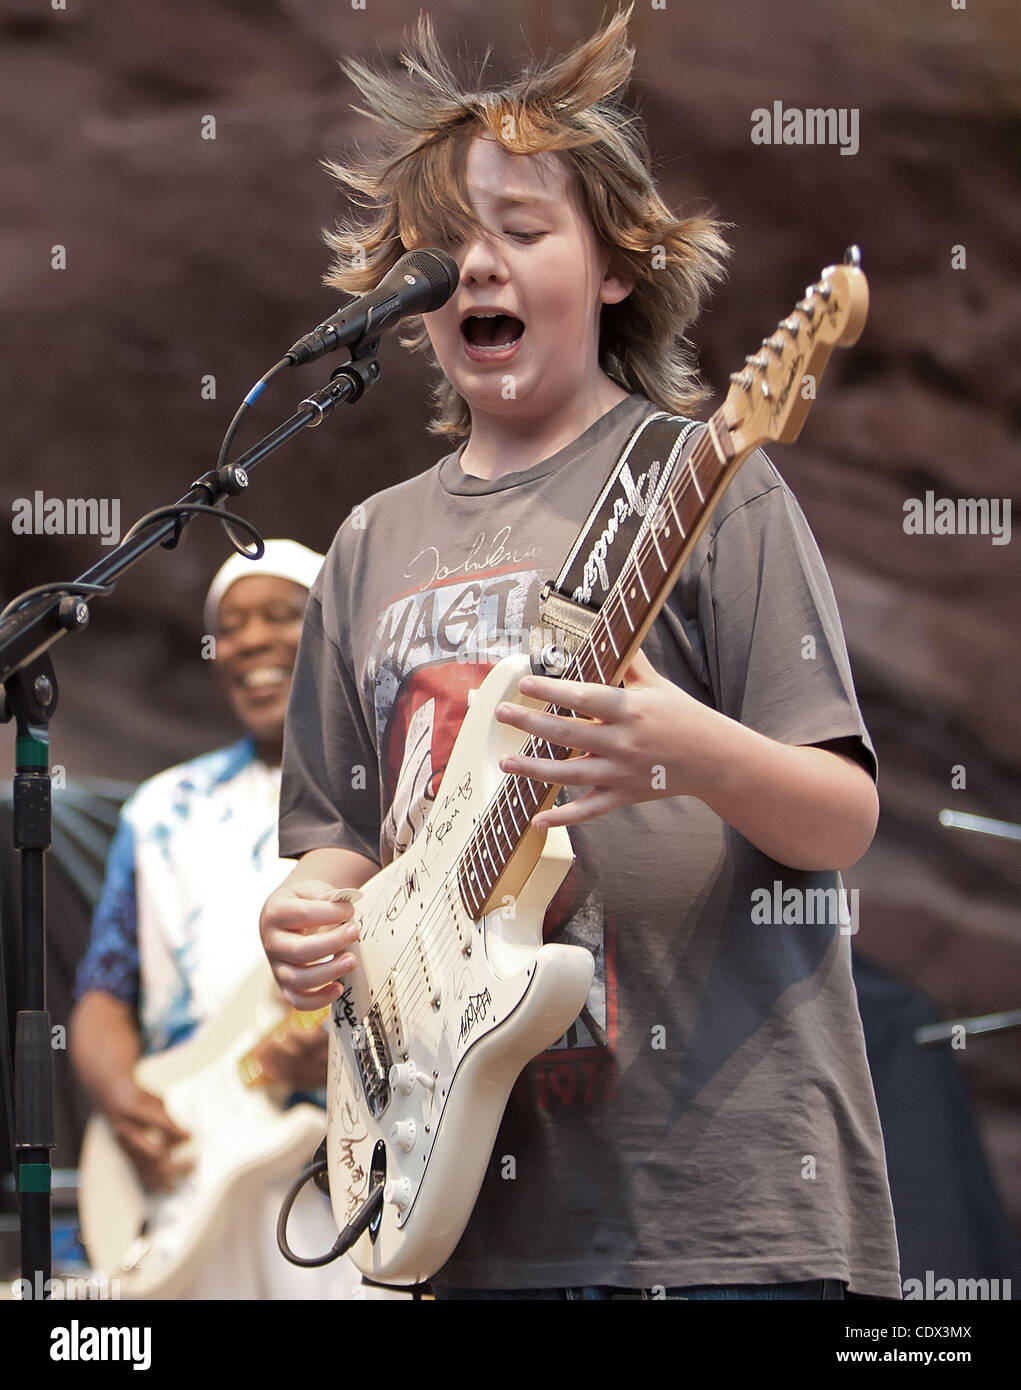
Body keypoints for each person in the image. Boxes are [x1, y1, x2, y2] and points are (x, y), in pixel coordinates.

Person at [260, 9, 901, 1300]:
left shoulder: (707, 485)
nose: (473, 267)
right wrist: (309, 913)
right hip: (474, 1204)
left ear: (616, 264)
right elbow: (340, 836)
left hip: (722, 1210)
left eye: (519, 230)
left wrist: (683, 751)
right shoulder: (369, 543)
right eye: (440, 247)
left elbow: (843, 815)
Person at [70, 540, 371, 1299]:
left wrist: (347, 1056)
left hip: (332, 1178)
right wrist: (121, 1099)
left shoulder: (382, 799)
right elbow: (104, 989)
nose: (252, 640)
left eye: (282, 616)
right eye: (230, 626)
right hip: (183, 1167)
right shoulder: (163, 809)